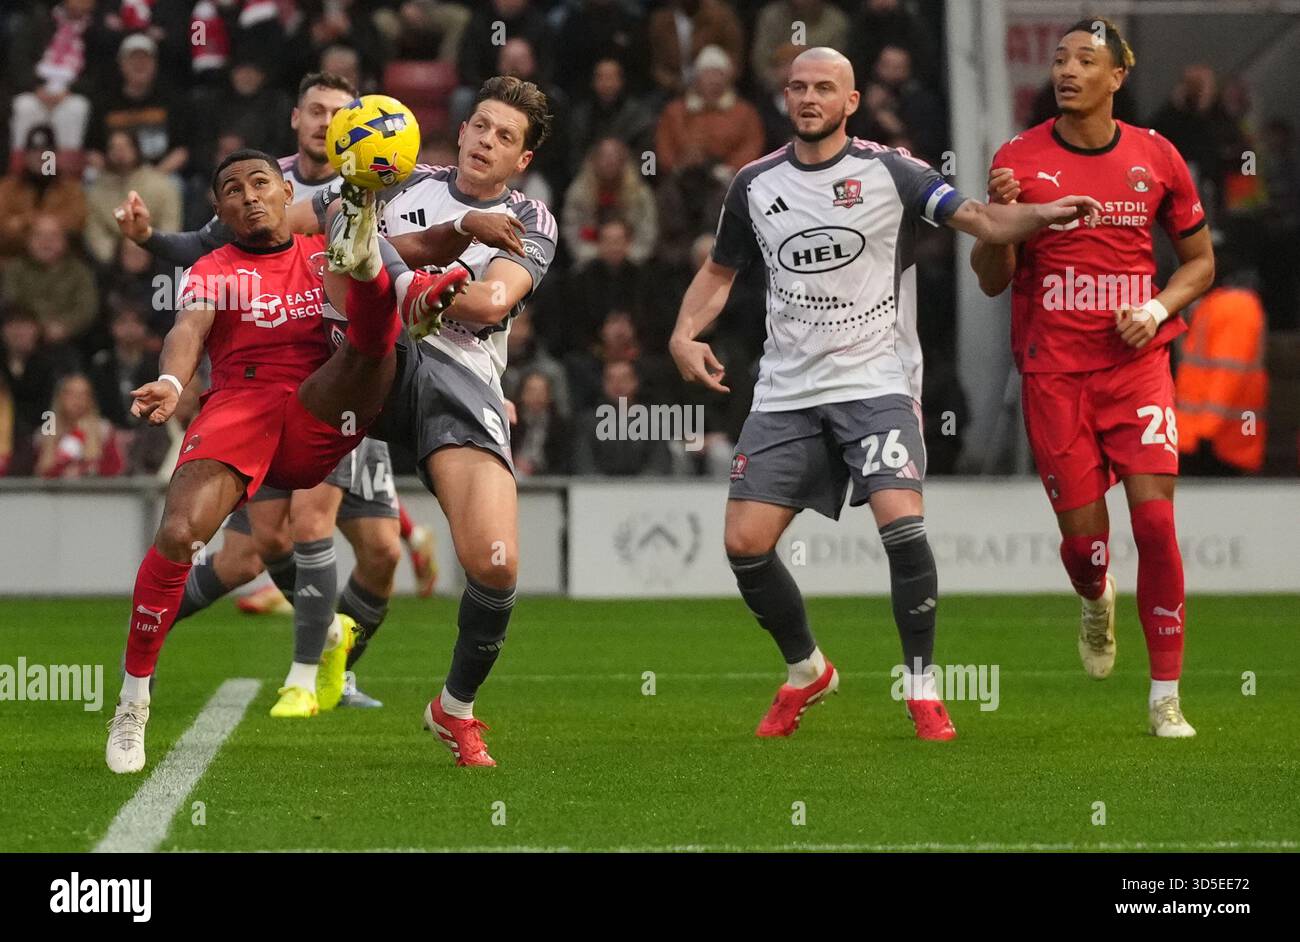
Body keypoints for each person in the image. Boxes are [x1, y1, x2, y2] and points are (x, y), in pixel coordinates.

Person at [670, 47, 1100, 741]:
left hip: (876, 381)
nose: (809, 98)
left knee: (902, 525)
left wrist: (1046, 214)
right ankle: (808, 669)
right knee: (744, 546)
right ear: (786, 97)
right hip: (785, 389)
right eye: (798, 87)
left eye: (824, 89)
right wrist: (684, 333)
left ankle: (924, 689)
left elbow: (984, 224)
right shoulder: (753, 183)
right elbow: (720, 271)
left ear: (851, 101)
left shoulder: (892, 171)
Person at [105, 147, 467, 773]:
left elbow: (421, 243)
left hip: (319, 407)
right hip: (239, 406)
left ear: (284, 192)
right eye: (232, 189)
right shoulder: (213, 268)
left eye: (260, 182)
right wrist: (169, 381)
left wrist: (468, 226)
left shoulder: (325, 252)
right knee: (179, 533)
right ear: (219, 209)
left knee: (365, 329)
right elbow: (188, 331)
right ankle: (133, 700)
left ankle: (417, 310)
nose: (248, 195)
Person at [970, 19, 1215, 737]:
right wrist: (1004, 221)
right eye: (1059, 59)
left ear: (1117, 78)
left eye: (1086, 60)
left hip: (1136, 367)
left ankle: (1165, 696)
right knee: (1087, 547)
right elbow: (991, 281)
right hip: (1055, 375)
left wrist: (1158, 304)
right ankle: (1093, 594)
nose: (1067, 70)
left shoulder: (1156, 156)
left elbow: (1200, 263)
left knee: (1158, 523)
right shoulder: (1019, 158)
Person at [35, 373, 124, 479]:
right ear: (60, 397)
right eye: (71, 394)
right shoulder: (46, 432)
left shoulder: (103, 430)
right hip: (55, 493)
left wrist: (85, 468)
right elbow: (40, 473)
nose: (78, 400)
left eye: (84, 394)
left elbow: (115, 469)